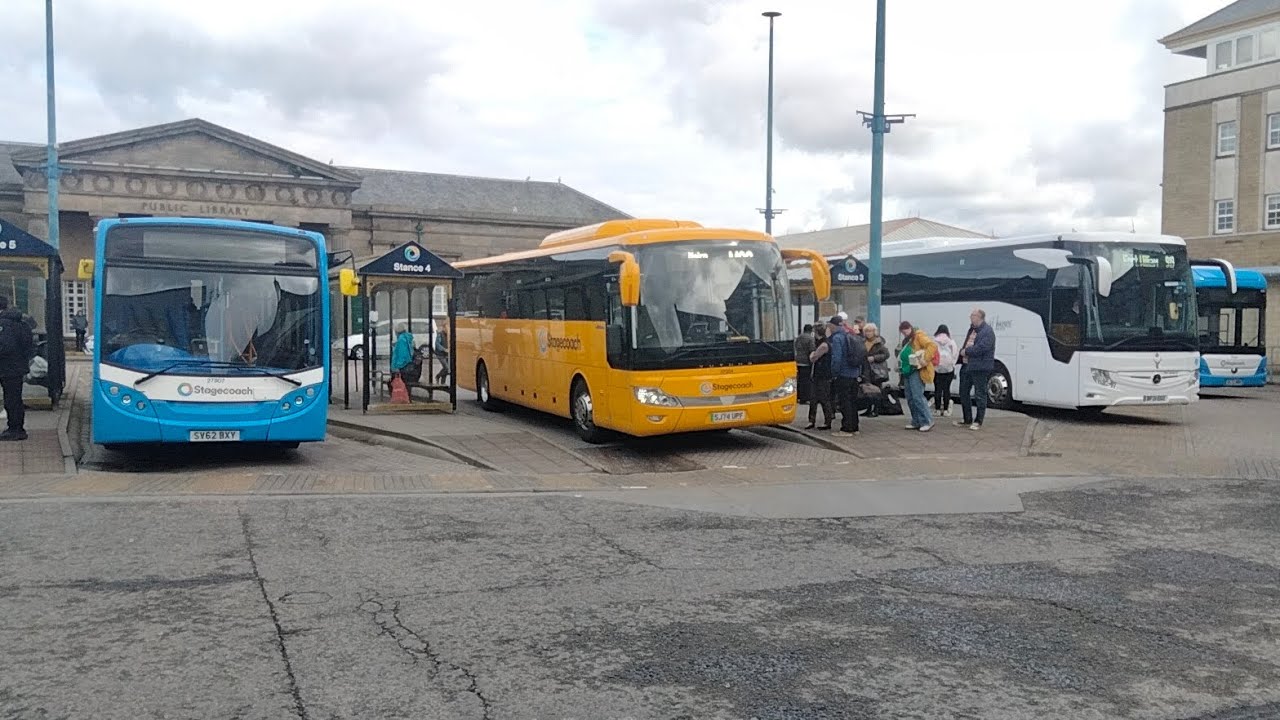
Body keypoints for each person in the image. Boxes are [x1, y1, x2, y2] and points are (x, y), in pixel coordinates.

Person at [956, 307, 997, 431]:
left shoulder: (987, 331)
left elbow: (982, 348)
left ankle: (978, 420)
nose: (971, 317)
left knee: (980, 394)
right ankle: (967, 419)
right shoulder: (972, 330)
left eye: (973, 315)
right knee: (963, 392)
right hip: (967, 365)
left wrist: (966, 351)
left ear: (980, 317)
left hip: (979, 367)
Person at [0, 295, 34, 441]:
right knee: (14, 398)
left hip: (6, 367)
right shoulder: (19, 322)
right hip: (15, 367)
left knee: (11, 400)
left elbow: (5, 346)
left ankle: (15, 429)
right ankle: (16, 427)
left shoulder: (4, 324)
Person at [827, 315, 866, 437]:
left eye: (830, 326)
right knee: (853, 401)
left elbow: (836, 358)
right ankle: (855, 427)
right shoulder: (850, 335)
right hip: (854, 374)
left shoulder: (837, 338)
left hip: (843, 374)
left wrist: (834, 373)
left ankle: (846, 429)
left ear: (833, 326)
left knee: (845, 402)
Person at [897, 320, 938, 432]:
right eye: (903, 332)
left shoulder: (919, 336)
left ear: (910, 328)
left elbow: (932, 346)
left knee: (917, 396)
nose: (905, 333)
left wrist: (925, 359)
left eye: (906, 331)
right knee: (910, 397)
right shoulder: (908, 339)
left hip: (917, 370)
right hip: (908, 370)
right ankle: (916, 420)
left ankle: (927, 420)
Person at [805, 325, 834, 430]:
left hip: (822, 376)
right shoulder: (822, 343)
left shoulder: (823, 345)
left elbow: (813, 358)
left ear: (816, 333)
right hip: (818, 375)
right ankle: (812, 420)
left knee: (823, 398)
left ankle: (827, 421)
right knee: (813, 399)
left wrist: (812, 354)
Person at [861, 322, 890, 418]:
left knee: (877, 389)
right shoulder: (863, 342)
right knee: (867, 389)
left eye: (870, 331)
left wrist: (874, 358)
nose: (868, 333)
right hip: (866, 369)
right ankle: (868, 408)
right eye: (866, 331)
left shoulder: (879, 342)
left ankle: (876, 409)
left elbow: (886, 354)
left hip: (876, 370)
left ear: (874, 332)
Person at [933, 324, 959, 418]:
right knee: (946, 389)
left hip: (937, 369)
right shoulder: (951, 342)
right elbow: (955, 354)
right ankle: (946, 410)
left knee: (937, 389)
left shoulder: (934, 341)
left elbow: (931, 354)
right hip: (948, 369)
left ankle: (937, 409)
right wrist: (952, 364)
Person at [794, 324, 816, 405]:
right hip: (806, 362)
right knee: (806, 380)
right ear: (811, 330)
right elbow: (812, 349)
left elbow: (795, 347)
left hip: (798, 360)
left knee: (799, 380)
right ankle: (805, 397)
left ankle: (798, 396)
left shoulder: (798, 338)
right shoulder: (810, 339)